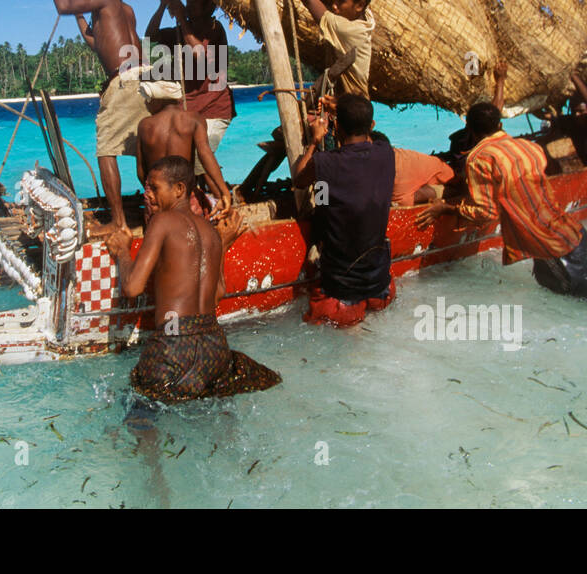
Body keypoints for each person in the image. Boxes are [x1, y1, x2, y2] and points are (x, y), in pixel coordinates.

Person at [416, 102, 587, 315]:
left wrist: (446, 208)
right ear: (500, 124)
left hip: (556, 251)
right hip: (573, 233)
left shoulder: (480, 158)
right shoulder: (527, 147)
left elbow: (486, 213)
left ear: (469, 129)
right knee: (565, 307)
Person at [105, 156, 281, 403]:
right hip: (214, 346)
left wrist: (122, 251)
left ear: (179, 190)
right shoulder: (210, 230)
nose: (146, 194)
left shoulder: (162, 221)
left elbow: (132, 287)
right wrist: (224, 244)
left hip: (173, 340)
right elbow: (218, 293)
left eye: (154, 188)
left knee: (139, 415)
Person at [45, 0, 145, 235]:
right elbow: (97, 41)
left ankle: (118, 223)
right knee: (143, 149)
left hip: (124, 82)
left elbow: (63, 5)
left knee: (106, 150)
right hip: (142, 79)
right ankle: (156, 211)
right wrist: (81, 15)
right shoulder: (125, 11)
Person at [294, 94, 396, 327]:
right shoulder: (386, 153)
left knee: (322, 192)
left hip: (339, 289)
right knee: (323, 191)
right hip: (379, 283)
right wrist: (341, 107)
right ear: (371, 126)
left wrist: (314, 141)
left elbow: (299, 179)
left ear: (336, 126)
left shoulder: (325, 163)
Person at [145, 0, 236, 177]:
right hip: (190, 107)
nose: (188, 6)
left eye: (193, 3)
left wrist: (181, 19)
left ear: (208, 7)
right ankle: (199, 197)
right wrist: (162, 6)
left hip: (214, 106)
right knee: (181, 160)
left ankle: (214, 197)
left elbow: (199, 55)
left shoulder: (213, 28)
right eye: (187, 3)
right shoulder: (180, 31)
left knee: (200, 161)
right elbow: (150, 35)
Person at [135, 79, 232, 220]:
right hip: (183, 195)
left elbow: (141, 171)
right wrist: (225, 192)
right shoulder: (193, 119)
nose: (146, 104)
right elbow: (206, 155)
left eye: (148, 99)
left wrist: (154, 190)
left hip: (156, 197)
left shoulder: (145, 125)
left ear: (158, 100)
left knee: (156, 234)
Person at [541, 71, 587, 166]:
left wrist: (573, 76)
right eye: (574, 111)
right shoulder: (572, 124)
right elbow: (547, 116)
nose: (577, 114)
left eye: (581, 111)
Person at [390, 146, 454, 206]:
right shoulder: (391, 156)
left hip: (447, 185)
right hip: (427, 175)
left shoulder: (399, 175)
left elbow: (402, 207)